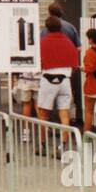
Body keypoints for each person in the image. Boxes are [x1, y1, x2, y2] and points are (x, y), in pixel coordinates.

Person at [36, 15, 79, 147]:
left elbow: (39, 61)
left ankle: (42, 143)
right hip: (65, 79)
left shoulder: (43, 42)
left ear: (47, 28)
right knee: (64, 112)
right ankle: (63, 143)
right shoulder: (68, 42)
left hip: (48, 78)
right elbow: (75, 61)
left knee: (43, 112)